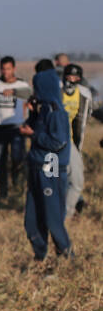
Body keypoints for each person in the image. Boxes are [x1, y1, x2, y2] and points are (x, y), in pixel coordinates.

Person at [23, 69, 73, 263]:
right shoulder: (43, 110)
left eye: (36, 88)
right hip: (36, 166)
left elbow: (58, 142)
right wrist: (33, 114)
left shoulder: (56, 112)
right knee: (32, 219)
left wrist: (33, 134)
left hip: (50, 169)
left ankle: (67, 256)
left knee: (53, 218)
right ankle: (39, 256)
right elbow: (32, 128)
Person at [0, 57, 32, 200]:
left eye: (8, 69)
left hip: (16, 127)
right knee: (0, 159)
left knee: (17, 157)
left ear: (14, 69)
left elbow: (29, 98)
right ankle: (3, 191)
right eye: (3, 69)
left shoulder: (21, 85)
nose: (5, 72)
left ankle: (17, 185)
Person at [61, 63, 91, 219]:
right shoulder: (56, 91)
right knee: (55, 180)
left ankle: (67, 214)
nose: (71, 80)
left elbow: (84, 119)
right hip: (53, 144)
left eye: (75, 77)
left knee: (77, 181)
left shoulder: (84, 94)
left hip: (70, 142)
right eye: (68, 76)